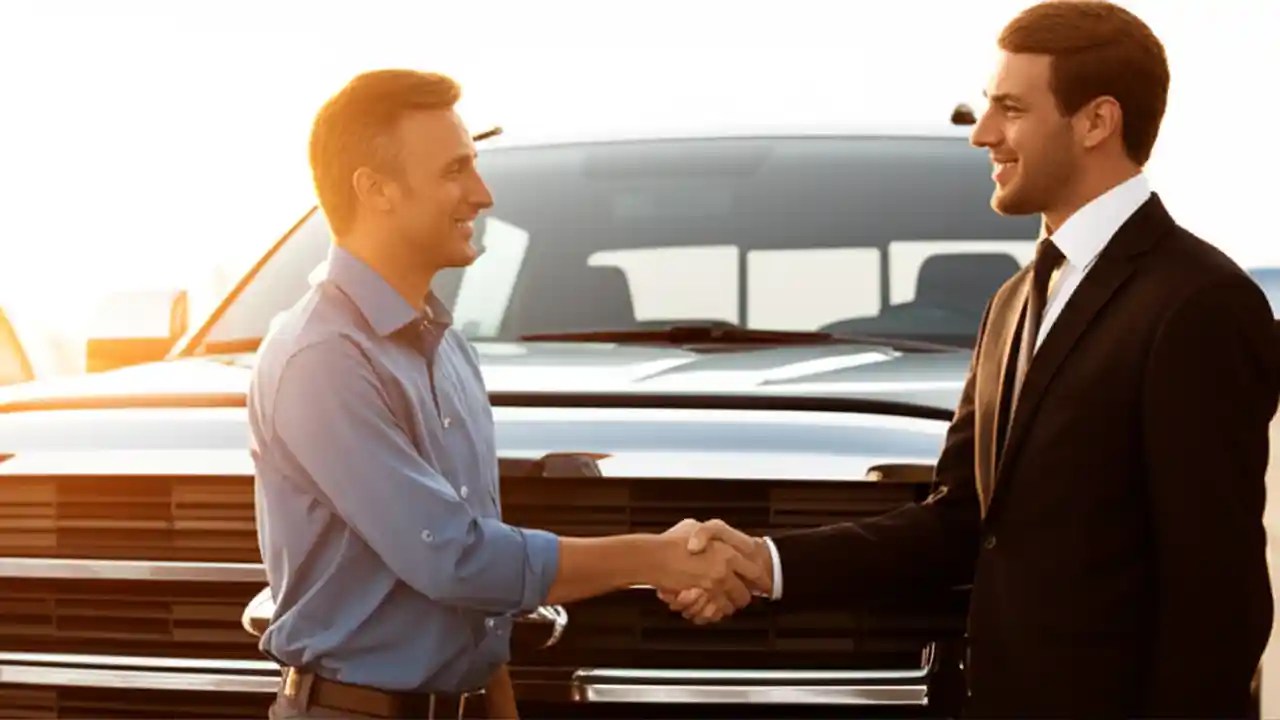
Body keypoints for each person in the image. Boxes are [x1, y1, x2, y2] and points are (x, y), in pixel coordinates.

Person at [663, 1, 1280, 716]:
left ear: (1096, 122)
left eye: (1010, 109)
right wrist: (766, 562)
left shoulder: (1200, 302)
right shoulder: (1012, 304)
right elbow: (961, 523)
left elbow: (1217, 594)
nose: (982, 134)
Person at [247, 69, 766, 720]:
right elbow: (455, 559)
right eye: (455, 170)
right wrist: (656, 558)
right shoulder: (322, 358)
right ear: (375, 189)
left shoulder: (447, 349)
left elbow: (473, 590)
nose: (483, 194)